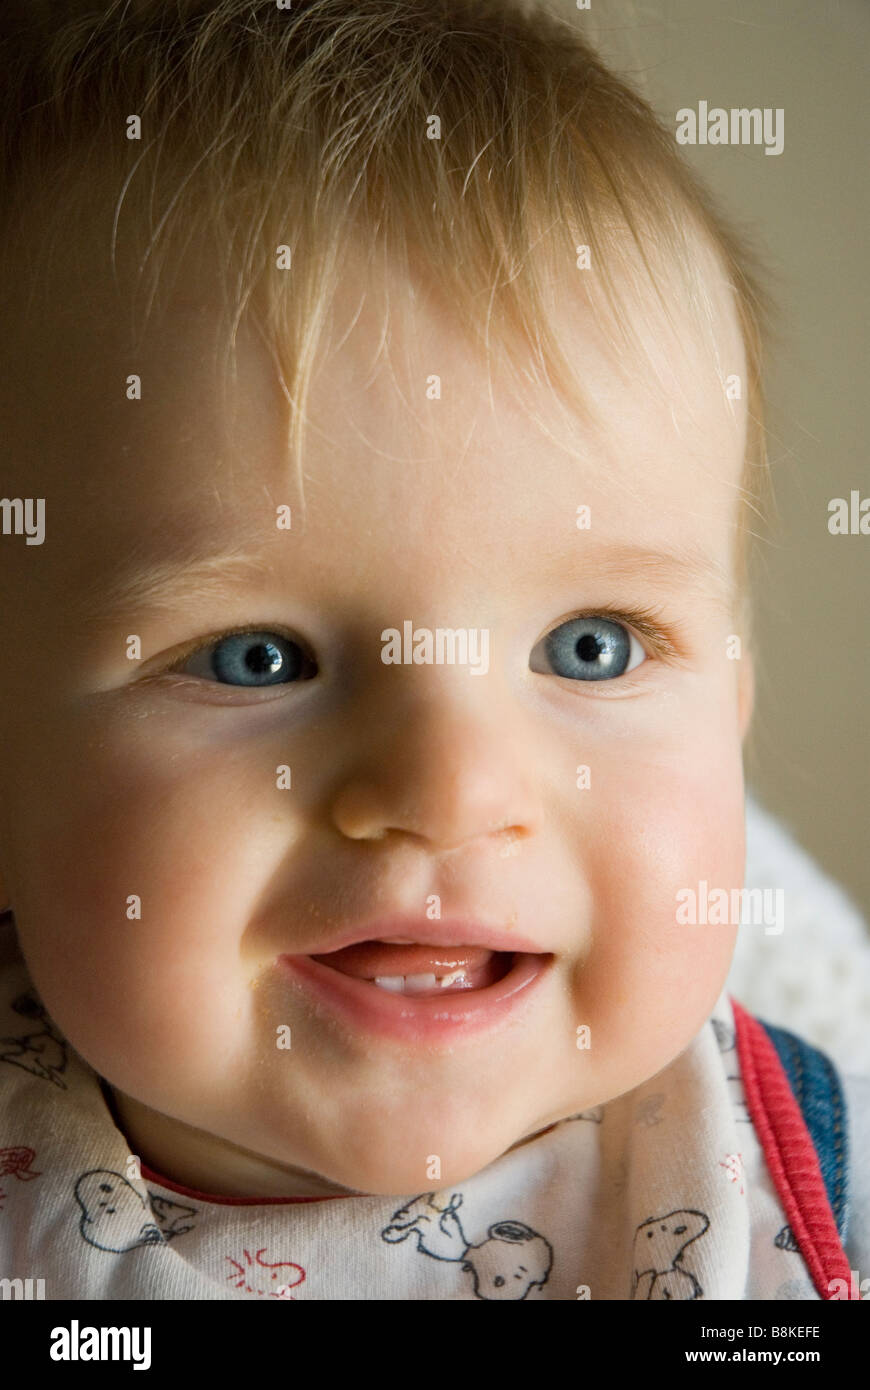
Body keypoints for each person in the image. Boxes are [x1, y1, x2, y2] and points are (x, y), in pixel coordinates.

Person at [0, 0, 865, 1300]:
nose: (448, 791)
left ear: (727, 707)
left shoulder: (797, 1177)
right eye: (256, 656)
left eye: (588, 646)